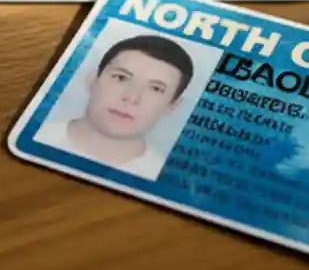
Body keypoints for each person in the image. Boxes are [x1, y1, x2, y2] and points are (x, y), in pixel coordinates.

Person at [35, 34, 194, 179]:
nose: (132, 97)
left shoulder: (164, 177)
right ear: (93, 80)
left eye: (156, 89)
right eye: (121, 78)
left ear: (173, 106)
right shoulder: (39, 134)